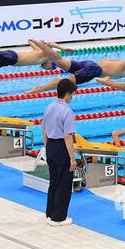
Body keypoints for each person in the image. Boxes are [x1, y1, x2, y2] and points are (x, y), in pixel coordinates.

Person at [23, 38, 125, 94]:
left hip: (90, 64)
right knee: (67, 82)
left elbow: (108, 78)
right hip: (93, 70)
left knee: (59, 61)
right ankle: (40, 88)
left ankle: (44, 46)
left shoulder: (122, 70)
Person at [41, 79, 78, 226]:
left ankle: (50, 213)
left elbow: (44, 131)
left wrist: (48, 147)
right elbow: (68, 136)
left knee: (54, 181)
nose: (72, 97)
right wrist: (72, 158)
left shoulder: (49, 107)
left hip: (50, 145)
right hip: (62, 148)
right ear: (67, 94)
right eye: (72, 94)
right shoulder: (67, 111)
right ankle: (59, 218)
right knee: (64, 183)